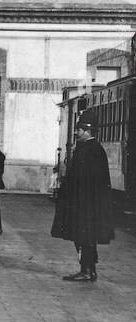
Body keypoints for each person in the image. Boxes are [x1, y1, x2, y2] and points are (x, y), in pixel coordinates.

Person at [51, 111, 113, 282]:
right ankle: (88, 269)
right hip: (86, 202)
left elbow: (85, 179)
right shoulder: (91, 149)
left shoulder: (90, 150)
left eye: (79, 130)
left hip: (85, 203)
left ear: (88, 131)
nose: (76, 133)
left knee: (84, 236)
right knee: (85, 236)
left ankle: (87, 270)